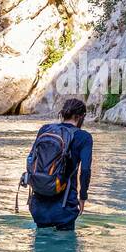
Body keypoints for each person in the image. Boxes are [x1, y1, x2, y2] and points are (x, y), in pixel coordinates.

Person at [26, 98, 93, 231]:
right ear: (80, 117)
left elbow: (30, 159)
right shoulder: (84, 137)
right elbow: (85, 170)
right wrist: (83, 197)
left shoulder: (45, 129)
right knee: (65, 247)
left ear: (63, 114)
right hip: (64, 206)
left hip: (39, 205)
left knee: (41, 247)